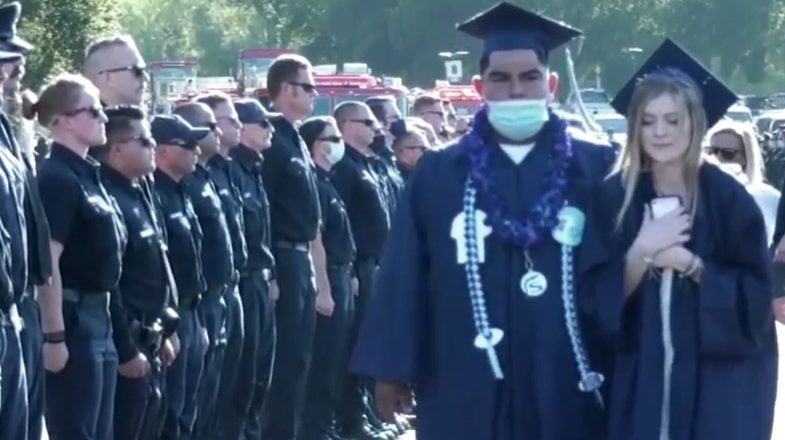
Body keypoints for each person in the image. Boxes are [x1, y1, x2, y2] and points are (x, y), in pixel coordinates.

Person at [350, 3, 614, 440]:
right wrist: (391, 368)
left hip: (569, 369)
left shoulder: (596, 167)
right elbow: (405, 270)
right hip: (463, 370)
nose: (515, 91)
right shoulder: (439, 173)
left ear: (550, 83)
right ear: (479, 86)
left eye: (529, 77)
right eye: (500, 78)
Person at [582, 38, 777, 440]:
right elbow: (591, 302)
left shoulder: (729, 200)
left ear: (696, 122)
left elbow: (755, 302)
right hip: (637, 381)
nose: (660, 132)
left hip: (716, 383)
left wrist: (688, 264)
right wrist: (641, 251)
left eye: (673, 120)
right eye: (648, 120)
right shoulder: (613, 197)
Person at [31, 74, 125, 440]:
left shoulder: (87, 173)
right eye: (93, 111)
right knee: (77, 430)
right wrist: (54, 336)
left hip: (98, 316)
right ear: (65, 119)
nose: (104, 118)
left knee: (100, 430)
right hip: (73, 319)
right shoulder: (57, 177)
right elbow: (48, 263)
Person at [96, 105, 178, 440]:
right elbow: (110, 281)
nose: (152, 146)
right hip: (128, 338)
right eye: (144, 141)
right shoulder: (110, 196)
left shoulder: (136, 192)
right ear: (116, 149)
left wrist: (164, 330)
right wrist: (126, 346)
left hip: (151, 336)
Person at [259, 55, 329, 440]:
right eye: (308, 86)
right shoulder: (272, 138)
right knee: (283, 362)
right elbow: (264, 206)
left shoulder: (295, 138)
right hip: (282, 256)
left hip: (300, 256)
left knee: (301, 358)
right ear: (285, 90)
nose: (314, 93)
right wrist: (271, 272)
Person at [172, 102, 235, 440]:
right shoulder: (181, 185)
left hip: (215, 297)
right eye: (211, 127)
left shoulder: (207, 176)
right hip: (190, 304)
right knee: (180, 408)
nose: (219, 134)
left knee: (209, 396)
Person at [299, 116, 359, 440]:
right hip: (326, 278)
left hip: (340, 274)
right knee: (321, 361)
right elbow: (315, 239)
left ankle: (326, 425)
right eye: (333, 138)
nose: (339, 144)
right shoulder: (313, 182)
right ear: (317, 145)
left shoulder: (327, 181)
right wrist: (323, 288)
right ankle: (315, 429)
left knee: (336, 359)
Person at [151, 114, 209, 440]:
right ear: (162, 151)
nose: (195, 150)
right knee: (169, 411)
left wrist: (196, 319)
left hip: (192, 309)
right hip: (170, 316)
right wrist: (170, 326)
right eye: (187, 144)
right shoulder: (154, 193)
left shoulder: (182, 190)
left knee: (190, 406)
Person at [227, 99, 277, 440]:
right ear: (242, 127)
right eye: (263, 123)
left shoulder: (255, 168)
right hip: (242, 282)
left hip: (260, 280)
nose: (270, 128)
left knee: (261, 375)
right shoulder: (230, 169)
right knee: (241, 379)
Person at [707, 120, 780, 244]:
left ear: (746, 158)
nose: (716, 159)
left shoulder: (769, 198)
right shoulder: (693, 196)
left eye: (727, 154)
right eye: (711, 151)